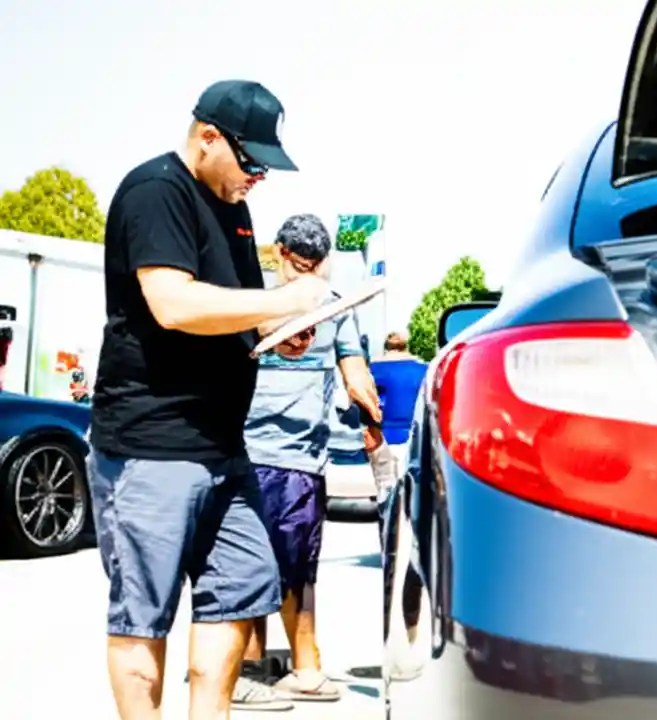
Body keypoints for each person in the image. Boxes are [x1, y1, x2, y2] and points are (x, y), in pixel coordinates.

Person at [88, 80, 329, 720]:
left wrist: (275, 334)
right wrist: (283, 299)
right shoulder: (157, 192)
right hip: (152, 446)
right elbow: (173, 303)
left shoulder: (237, 211)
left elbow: (233, 312)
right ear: (208, 138)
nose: (259, 177)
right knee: (144, 612)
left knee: (244, 584)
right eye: (250, 162)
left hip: (223, 447)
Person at [233, 213, 382, 709]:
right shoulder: (250, 302)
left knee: (295, 563)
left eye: (319, 266)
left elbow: (356, 371)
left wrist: (371, 417)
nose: (311, 277)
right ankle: (291, 666)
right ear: (278, 254)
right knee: (260, 561)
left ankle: (277, 664)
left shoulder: (336, 307)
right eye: (302, 266)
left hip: (300, 457)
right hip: (247, 449)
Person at [370, 332, 428, 470]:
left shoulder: (372, 369)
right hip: (414, 437)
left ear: (386, 348)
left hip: (381, 437)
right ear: (406, 347)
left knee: (384, 484)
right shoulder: (424, 369)